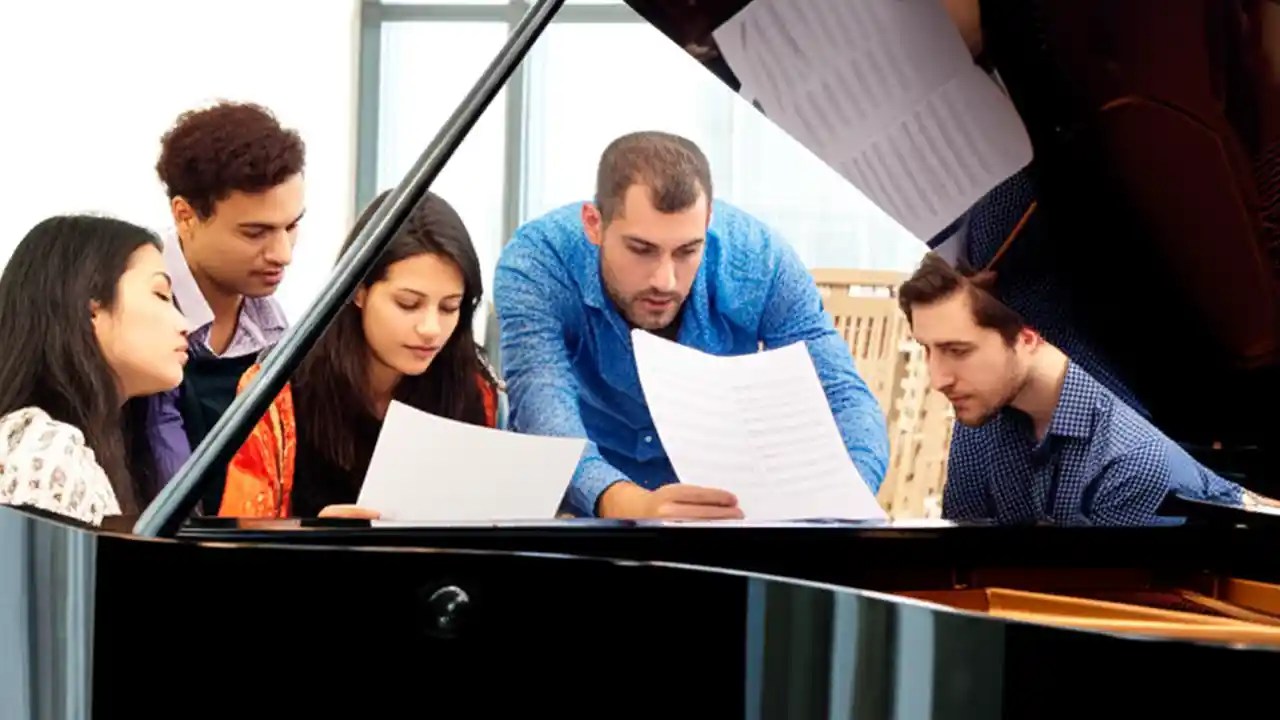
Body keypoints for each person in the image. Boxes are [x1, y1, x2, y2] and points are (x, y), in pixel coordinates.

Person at [493, 130, 889, 520]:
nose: (664, 279)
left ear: (709, 221)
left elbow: (843, 397)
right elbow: (542, 412)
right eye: (641, 249)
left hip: (725, 514)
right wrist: (626, 503)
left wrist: (841, 512)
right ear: (594, 224)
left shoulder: (761, 260)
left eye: (687, 250)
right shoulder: (537, 262)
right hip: (579, 513)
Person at [898, 252, 1262, 526]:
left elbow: (1102, 611)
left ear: (1028, 336)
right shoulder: (983, 415)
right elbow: (964, 559)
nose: (937, 379)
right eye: (926, 350)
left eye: (957, 351)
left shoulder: (1131, 461)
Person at [218, 190, 501, 519]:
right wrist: (315, 538)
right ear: (358, 290)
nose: (431, 328)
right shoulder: (280, 391)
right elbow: (238, 539)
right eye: (408, 304)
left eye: (449, 307)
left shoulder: (473, 389)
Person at [146, 100, 306, 512]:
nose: (283, 253)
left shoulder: (276, 333)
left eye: (292, 226)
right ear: (185, 216)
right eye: (256, 233)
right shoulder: (127, 309)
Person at [0, 216, 190, 526]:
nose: (186, 326)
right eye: (161, 295)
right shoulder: (47, 450)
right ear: (91, 308)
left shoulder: (109, 446)